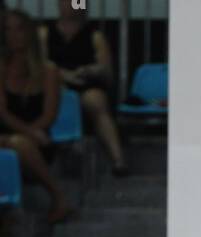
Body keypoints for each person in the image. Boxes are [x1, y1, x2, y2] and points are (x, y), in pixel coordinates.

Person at [0, 7, 70, 224]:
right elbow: (2, 113)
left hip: (40, 141)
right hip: (9, 135)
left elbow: (49, 116)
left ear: (29, 32)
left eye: (19, 29)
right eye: (7, 29)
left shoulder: (49, 71)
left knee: (20, 143)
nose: (13, 35)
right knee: (16, 142)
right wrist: (29, 133)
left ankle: (58, 196)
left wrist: (30, 135)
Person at [43, 0, 126, 174]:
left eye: (78, 1)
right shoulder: (44, 33)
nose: (72, 5)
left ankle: (118, 160)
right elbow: (37, 65)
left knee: (96, 101)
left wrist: (92, 70)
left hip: (85, 84)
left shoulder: (95, 36)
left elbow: (108, 74)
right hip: (53, 85)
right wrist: (61, 75)